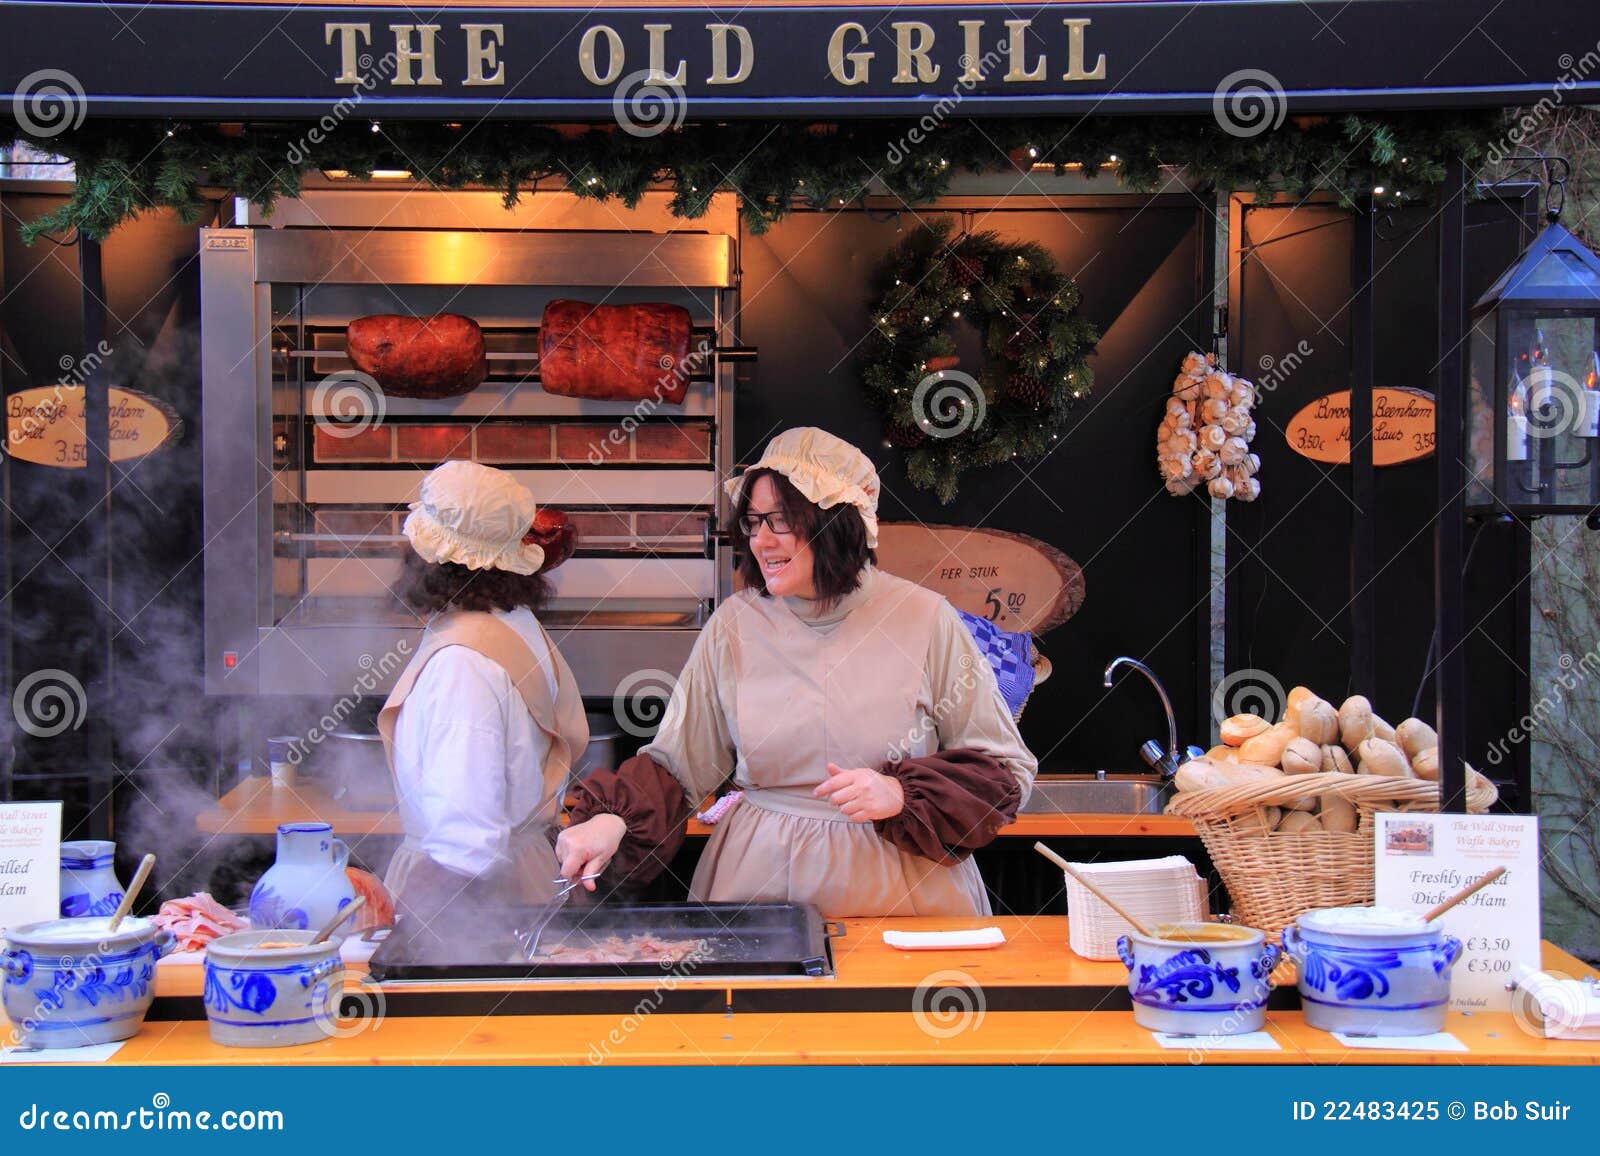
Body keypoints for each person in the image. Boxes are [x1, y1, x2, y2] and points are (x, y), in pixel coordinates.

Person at [557, 427, 1036, 916]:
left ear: (837, 521)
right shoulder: (735, 626)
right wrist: (611, 821)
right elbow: (679, 766)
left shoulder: (925, 618)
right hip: (760, 890)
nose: (761, 540)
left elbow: (1005, 770)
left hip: (904, 893)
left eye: (781, 520)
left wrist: (901, 793)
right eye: (753, 521)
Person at [376, 461, 588, 930]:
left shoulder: (462, 666)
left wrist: (410, 928)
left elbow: (465, 845)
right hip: (526, 873)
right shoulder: (511, 622)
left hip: (474, 905)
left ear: (432, 555)